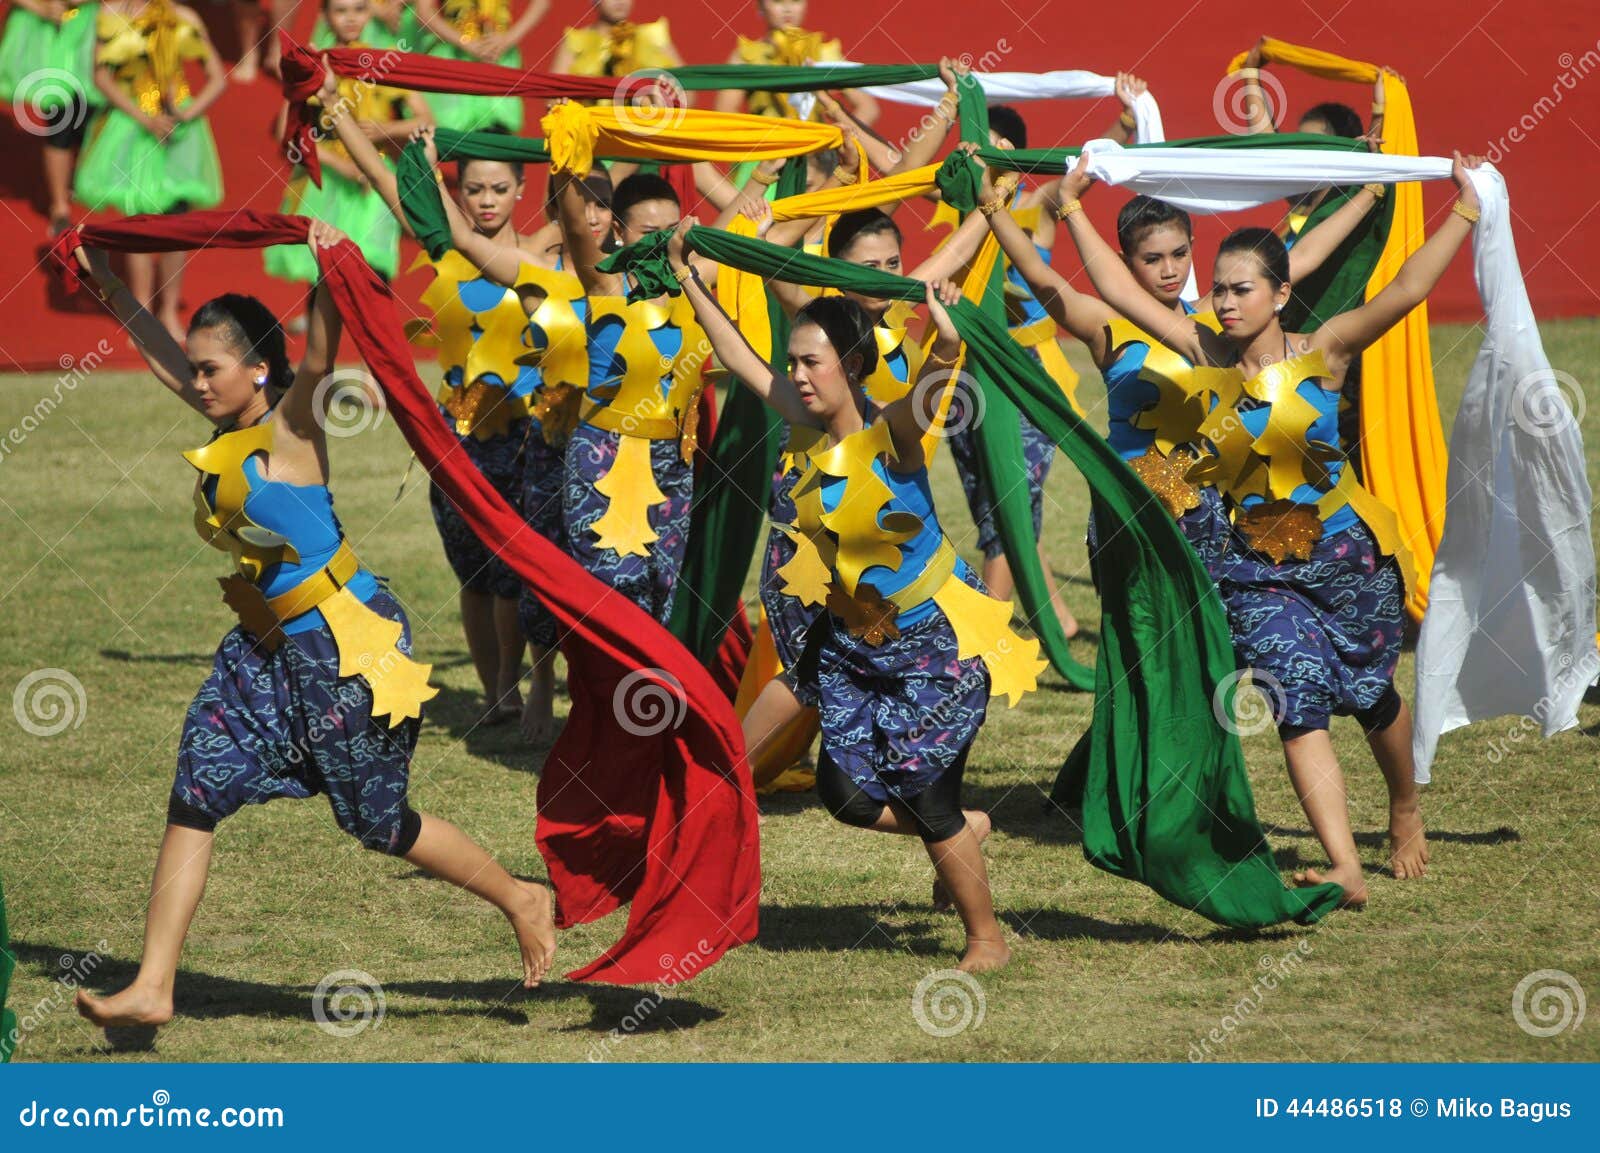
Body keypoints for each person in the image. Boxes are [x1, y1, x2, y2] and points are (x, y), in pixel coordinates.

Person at [69, 223, 557, 1029]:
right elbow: (157, 347)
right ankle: (153, 986)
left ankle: (519, 896)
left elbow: (324, 356)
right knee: (195, 788)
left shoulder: (293, 426)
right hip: (263, 649)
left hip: (346, 641)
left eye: (211, 368)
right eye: (194, 368)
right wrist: (106, 282)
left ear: (258, 368)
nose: (195, 382)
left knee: (376, 820)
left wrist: (329, 268)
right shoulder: (226, 425)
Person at [1053, 150, 1488, 904]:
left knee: (1371, 695)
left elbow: (1408, 287)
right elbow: (1117, 288)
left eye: (1241, 289)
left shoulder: (1326, 352)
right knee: (1295, 700)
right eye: (1218, 288)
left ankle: (1404, 805)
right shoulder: (1201, 350)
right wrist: (1069, 208)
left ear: (1281, 293)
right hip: (1254, 569)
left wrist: (1466, 209)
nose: (1223, 301)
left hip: (1344, 556)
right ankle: (1345, 864)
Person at [670, 217, 1028, 971]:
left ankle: (986, 939)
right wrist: (689, 280)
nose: (798, 375)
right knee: (844, 793)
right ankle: (966, 829)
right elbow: (736, 354)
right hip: (853, 644)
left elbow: (934, 382)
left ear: (853, 366)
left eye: (813, 363)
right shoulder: (800, 421)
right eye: (794, 362)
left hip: (934, 644)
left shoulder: (893, 434)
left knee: (926, 796)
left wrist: (948, 338)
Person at [324, 69, 604, 735]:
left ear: (522, 189)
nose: (485, 200)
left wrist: (578, 130)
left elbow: (593, 203)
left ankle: (523, 683)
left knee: (521, 573)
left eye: (498, 188)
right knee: (476, 576)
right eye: (473, 188)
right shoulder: (445, 249)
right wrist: (338, 113)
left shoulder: (546, 254)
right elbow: (385, 183)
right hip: (460, 440)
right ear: (456, 190)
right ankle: (496, 690)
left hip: (533, 439)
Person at [969, 150, 1388, 583]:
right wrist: (994, 207)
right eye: (1152, 259)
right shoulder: (1102, 325)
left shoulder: (1212, 320)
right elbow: (1039, 276)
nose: (1169, 270)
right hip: (1133, 506)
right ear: (1124, 260)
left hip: (1209, 510)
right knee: (1142, 619)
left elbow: (1302, 256)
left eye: (1179, 254)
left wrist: (1372, 188)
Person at [73, 0, 225, 341]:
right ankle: (140, 312)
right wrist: (144, 118)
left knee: (176, 221)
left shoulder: (184, 18)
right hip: (133, 127)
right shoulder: (110, 16)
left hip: (178, 131)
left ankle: (168, 310)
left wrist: (187, 114)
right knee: (139, 219)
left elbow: (217, 77)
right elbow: (101, 77)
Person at [265, 0, 433, 301]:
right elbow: (285, 133)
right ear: (325, 16)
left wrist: (385, 129)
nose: (351, 19)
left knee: (374, 267)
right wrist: (339, 164)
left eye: (359, 9)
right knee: (323, 270)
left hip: (375, 181)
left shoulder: (384, 62)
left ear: (370, 12)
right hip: (326, 181)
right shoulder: (313, 64)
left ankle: (375, 330)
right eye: (341, 11)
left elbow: (425, 120)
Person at [0, 0, 102, 236]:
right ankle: (60, 208)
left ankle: (75, 180)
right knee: (61, 118)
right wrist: (39, 7)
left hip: (90, 33)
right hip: (50, 36)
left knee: (89, 115)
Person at [715, 0, 876, 127]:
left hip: (814, 153)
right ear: (760, 5)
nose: (787, 9)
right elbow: (724, 112)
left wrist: (835, 140)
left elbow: (868, 108)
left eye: (795, 0)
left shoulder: (823, 53)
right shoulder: (747, 55)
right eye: (778, 1)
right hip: (767, 152)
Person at [414, 0, 547, 132]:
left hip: (498, 63)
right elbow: (424, 12)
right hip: (456, 62)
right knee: (454, 133)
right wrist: (464, 41)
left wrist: (508, 39)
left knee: (498, 132)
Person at [552, 0, 681, 77]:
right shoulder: (576, 41)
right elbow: (553, 97)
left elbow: (687, 92)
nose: (620, 1)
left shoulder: (653, 36)